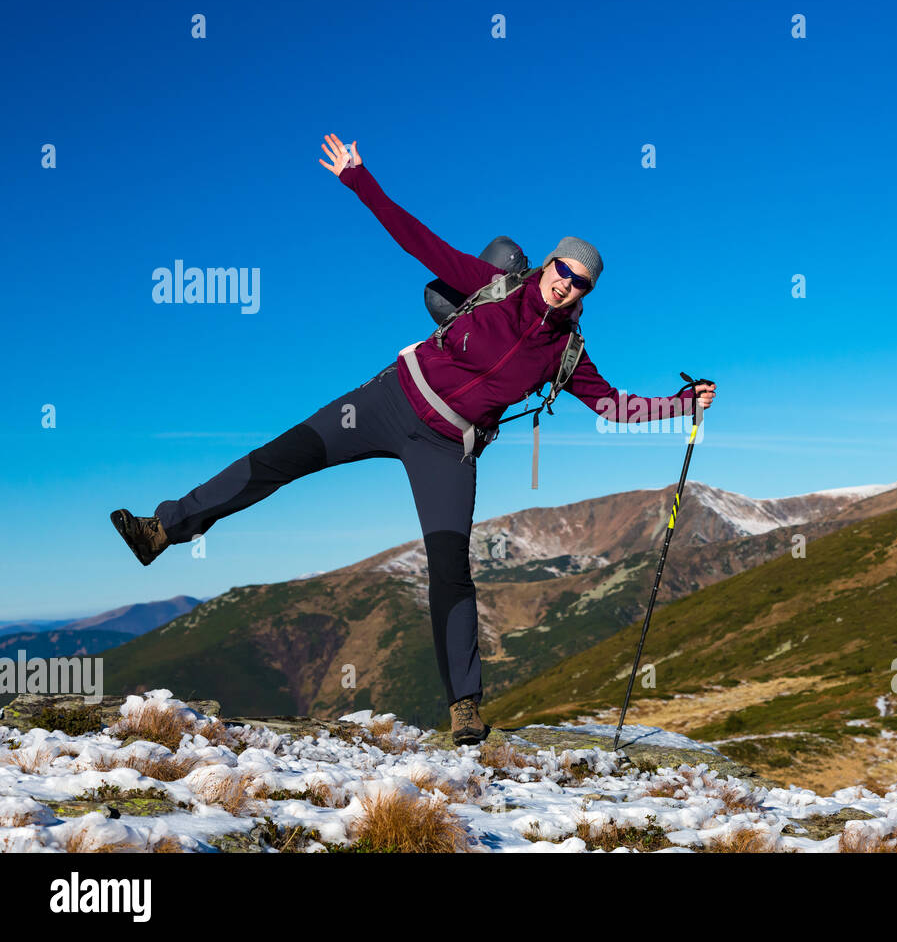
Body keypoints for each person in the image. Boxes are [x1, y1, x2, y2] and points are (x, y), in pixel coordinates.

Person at [111, 133, 718, 745]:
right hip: (387, 400)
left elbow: (612, 406)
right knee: (278, 459)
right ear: (549, 264)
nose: (567, 285)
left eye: (581, 283)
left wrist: (680, 404)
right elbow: (414, 237)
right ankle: (162, 529)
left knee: (450, 569)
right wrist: (359, 178)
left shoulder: (566, 351)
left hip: (447, 448)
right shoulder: (492, 285)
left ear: (587, 294)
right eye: (564, 270)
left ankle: (464, 709)